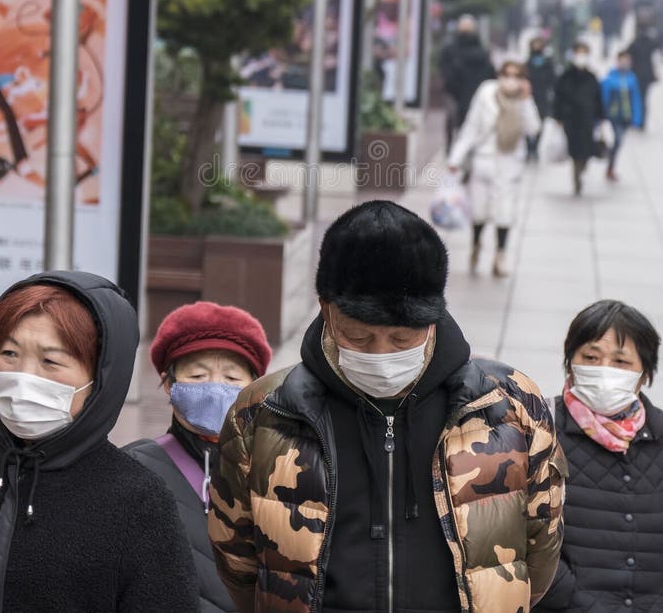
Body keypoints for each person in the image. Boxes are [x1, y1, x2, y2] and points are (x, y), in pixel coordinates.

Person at [208, 200, 566, 613]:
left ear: (433, 319)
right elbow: (238, 560)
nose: (380, 353)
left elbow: (540, 550)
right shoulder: (265, 413)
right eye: (358, 337)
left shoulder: (508, 406)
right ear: (326, 309)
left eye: (401, 340)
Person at [0, 270, 199, 613]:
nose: (23, 375)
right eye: (9, 353)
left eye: (50, 361)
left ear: (100, 380)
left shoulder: (137, 502)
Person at [125, 301, 272, 613]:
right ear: (168, 383)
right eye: (197, 374)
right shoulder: (133, 469)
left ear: (255, 388)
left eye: (232, 378)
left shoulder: (279, 470)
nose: (215, 387)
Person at [536, 300, 663, 612]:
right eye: (591, 357)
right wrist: (571, 598)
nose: (605, 370)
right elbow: (522, 537)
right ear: (570, 363)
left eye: (621, 362)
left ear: (644, 374)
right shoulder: (539, 431)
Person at [448, 60, 541, 277]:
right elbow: (471, 127)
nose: (510, 80)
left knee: (504, 212)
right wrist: (456, 158)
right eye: (506, 74)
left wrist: (527, 101)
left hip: (509, 163)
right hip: (483, 160)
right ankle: (476, 243)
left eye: (516, 76)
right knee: (479, 211)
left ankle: (500, 255)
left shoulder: (523, 100)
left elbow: (533, 129)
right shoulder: (486, 93)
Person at [553, 41, 604, 197]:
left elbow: (598, 99)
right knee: (575, 150)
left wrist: (601, 117)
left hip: (587, 119)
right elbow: (558, 98)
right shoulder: (565, 76)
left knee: (587, 150)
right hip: (571, 119)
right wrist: (558, 117)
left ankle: (582, 169)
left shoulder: (591, 77)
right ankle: (576, 177)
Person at [439, 14, 495, 149]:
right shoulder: (452, 49)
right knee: (459, 120)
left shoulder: (480, 50)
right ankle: (458, 148)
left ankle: (458, 148)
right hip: (459, 91)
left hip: (470, 90)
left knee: (464, 121)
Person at [600, 51, 643, 181]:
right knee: (617, 140)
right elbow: (604, 98)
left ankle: (610, 166)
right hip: (613, 117)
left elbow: (636, 99)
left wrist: (637, 118)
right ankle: (610, 166)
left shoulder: (632, 78)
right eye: (622, 60)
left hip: (626, 117)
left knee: (618, 143)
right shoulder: (609, 78)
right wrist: (601, 116)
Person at [526, 35, 556, 160]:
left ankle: (536, 146)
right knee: (528, 123)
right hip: (528, 98)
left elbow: (553, 81)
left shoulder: (548, 63)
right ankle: (529, 147)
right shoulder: (527, 63)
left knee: (540, 124)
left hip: (542, 98)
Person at [628, 22, 658, 130]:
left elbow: (627, 54)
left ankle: (637, 120)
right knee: (643, 99)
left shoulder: (635, 43)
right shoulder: (650, 42)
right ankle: (642, 122)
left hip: (636, 75)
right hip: (646, 76)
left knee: (636, 98)